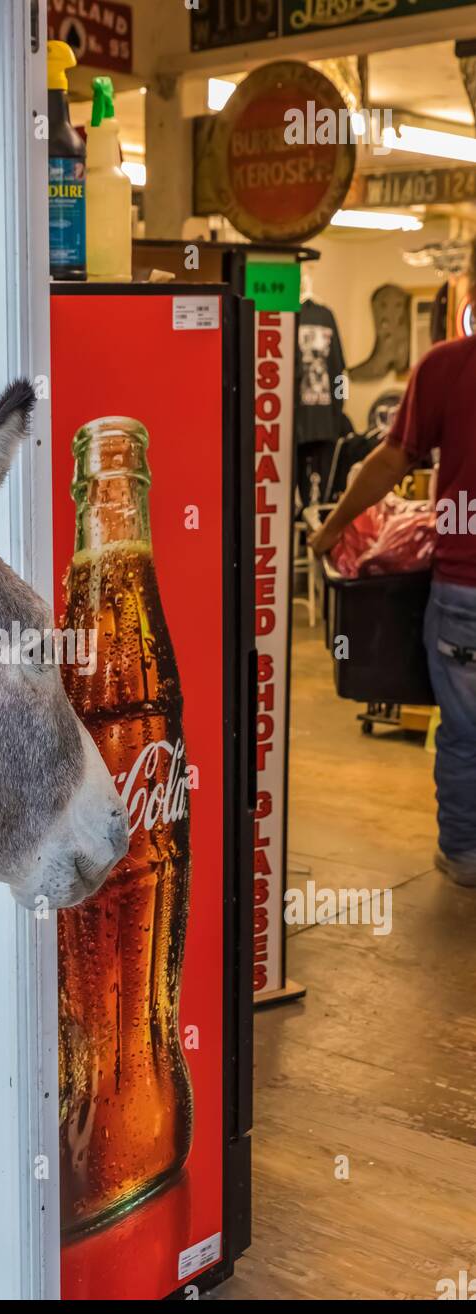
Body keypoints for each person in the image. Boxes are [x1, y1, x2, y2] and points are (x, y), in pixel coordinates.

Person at [310, 248, 476, 889]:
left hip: (465, 590)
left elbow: (388, 462)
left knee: (464, 731)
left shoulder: (446, 368)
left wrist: (330, 529)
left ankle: (464, 855)